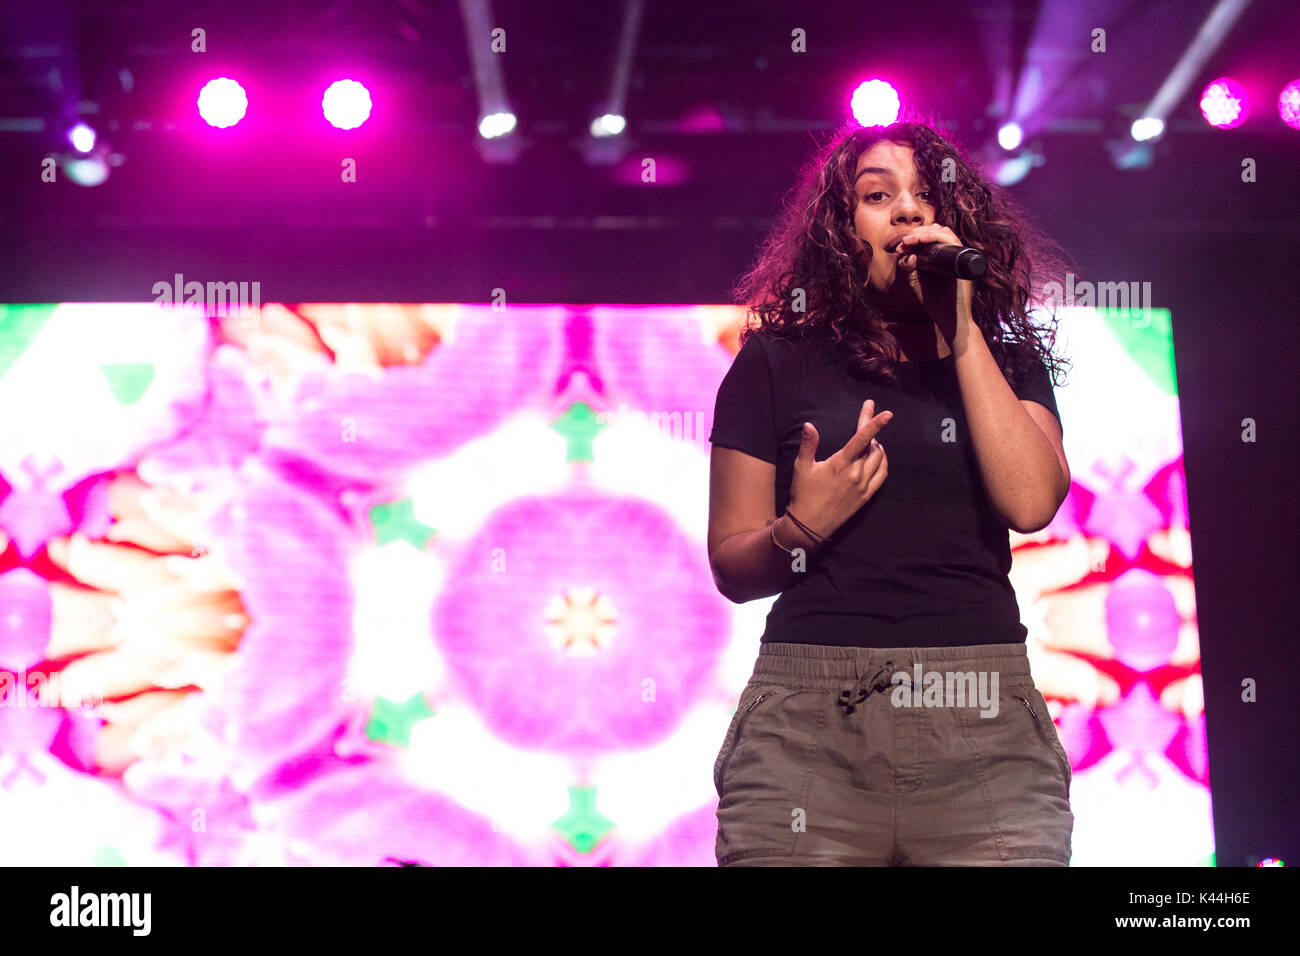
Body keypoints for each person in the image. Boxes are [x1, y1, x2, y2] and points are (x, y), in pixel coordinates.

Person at [707, 119, 1075, 866]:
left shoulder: (1008, 362)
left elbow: (1032, 503)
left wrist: (961, 332)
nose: (908, 212)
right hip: (810, 730)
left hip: (982, 726)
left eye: (928, 197)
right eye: (879, 195)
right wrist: (801, 529)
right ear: (842, 229)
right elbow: (730, 566)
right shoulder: (775, 361)